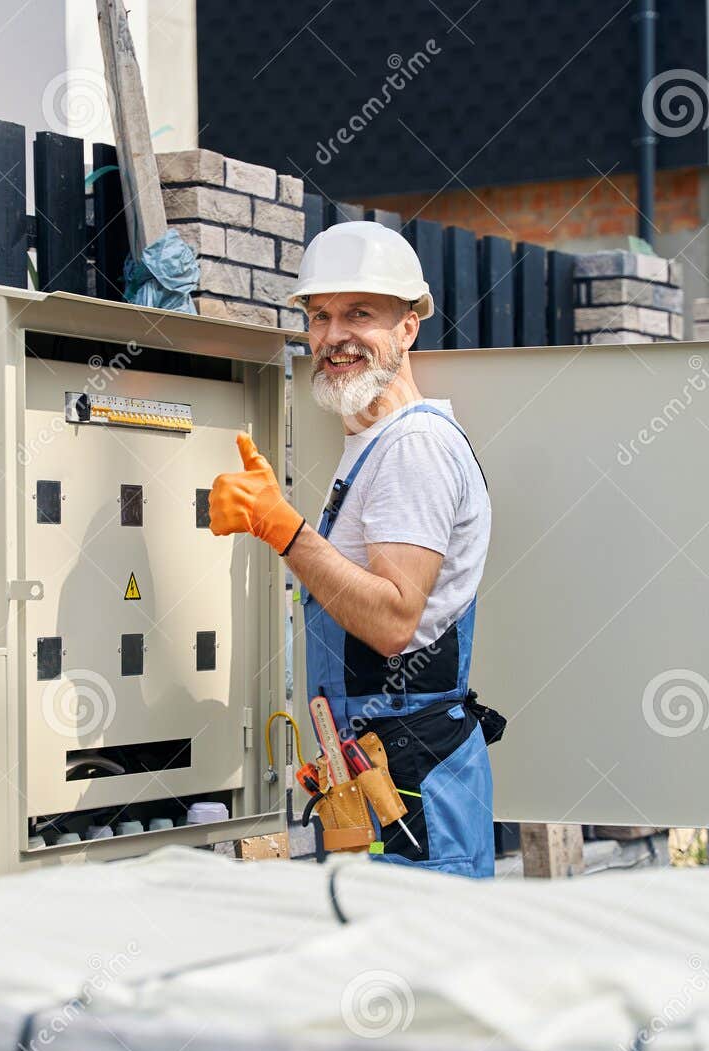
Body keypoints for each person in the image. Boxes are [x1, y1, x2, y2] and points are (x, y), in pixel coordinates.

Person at [208, 220, 496, 877]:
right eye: (319, 316)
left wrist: (283, 529)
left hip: (415, 779)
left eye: (358, 314)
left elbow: (395, 621)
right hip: (381, 770)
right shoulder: (374, 444)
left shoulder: (411, 446)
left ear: (408, 327)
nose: (333, 336)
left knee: (417, 968)